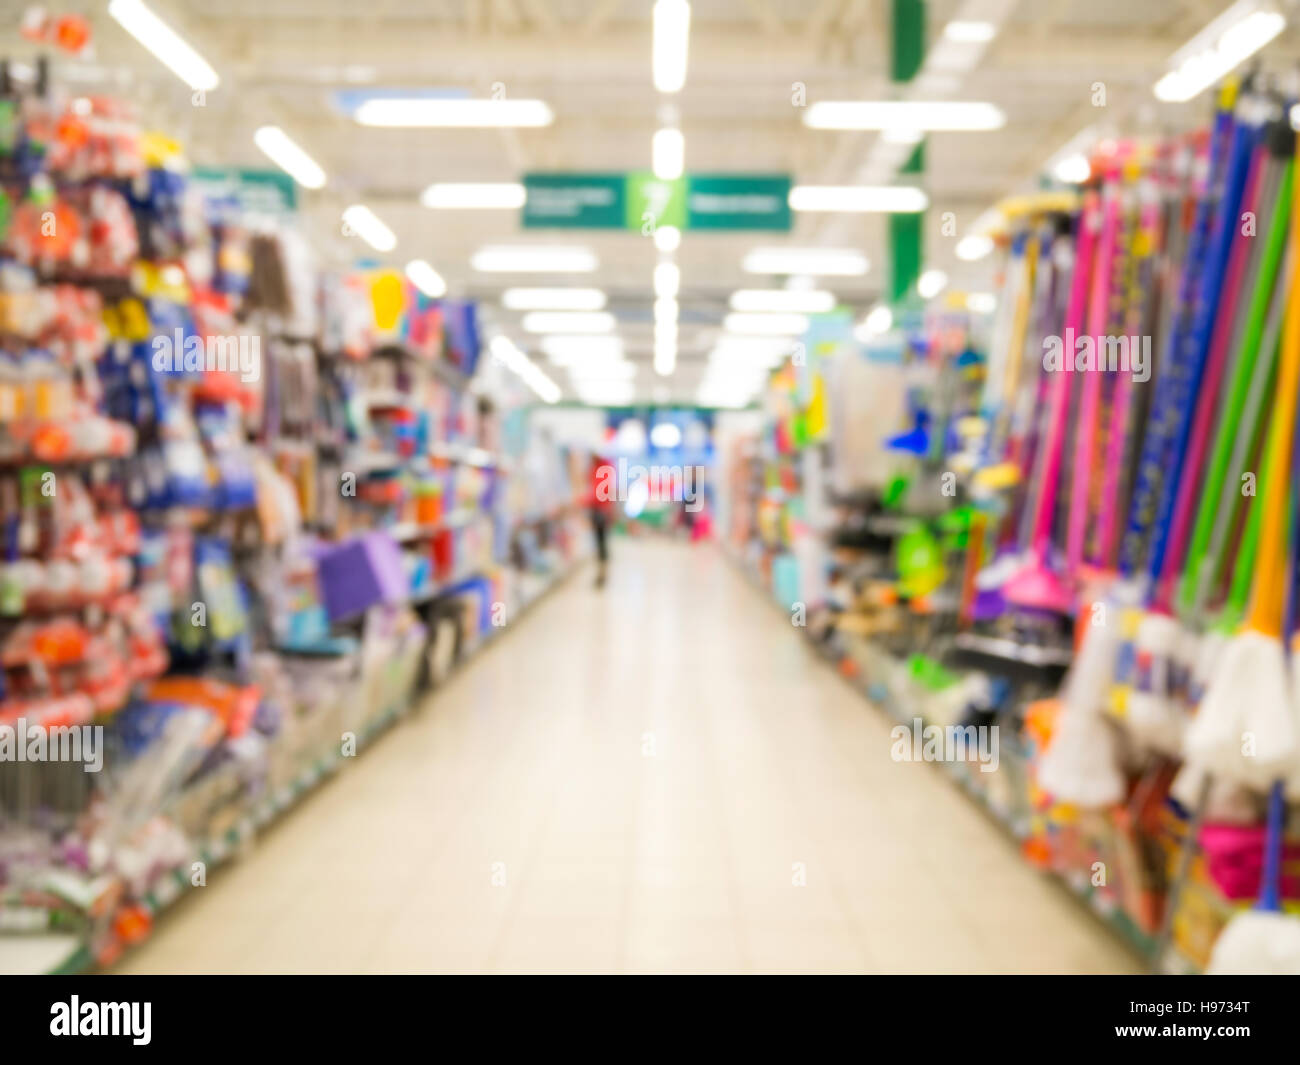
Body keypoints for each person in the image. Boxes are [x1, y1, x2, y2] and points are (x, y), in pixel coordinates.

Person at [586, 453, 614, 587]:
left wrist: (583, 501)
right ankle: (602, 572)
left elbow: (598, 494)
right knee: (600, 543)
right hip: (600, 511)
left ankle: (602, 573)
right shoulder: (600, 469)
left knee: (601, 543)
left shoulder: (601, 469)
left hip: (600, 511)